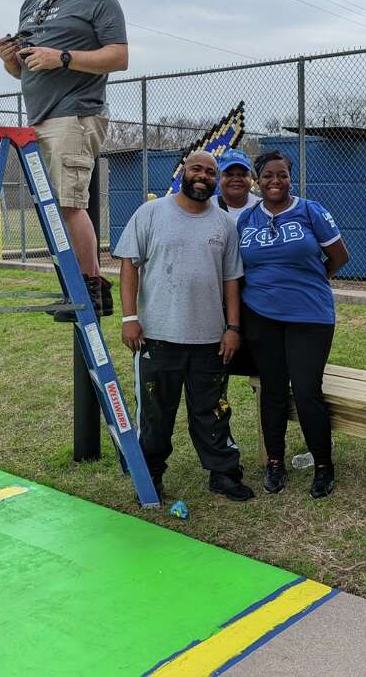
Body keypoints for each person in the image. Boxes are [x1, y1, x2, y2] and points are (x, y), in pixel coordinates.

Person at [0, 0, 127, 316]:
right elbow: (23, 72)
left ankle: (89, 291)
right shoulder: (31, 4)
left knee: (69, 205)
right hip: (38, 117)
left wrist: (63, 57)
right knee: (53, 208)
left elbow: (119, 57)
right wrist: (9, 59)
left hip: (75, 114)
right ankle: (77, 288)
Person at [113, 150, 256, 502]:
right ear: (182, 172)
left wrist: (233, 328)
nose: (202, 176)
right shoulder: (151, 213)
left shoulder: (223, 223)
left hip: (209, 339)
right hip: (157, 337)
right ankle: (150, 476)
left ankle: (223, 474)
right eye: (196, 169)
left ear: (215, 179)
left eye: (210, 172)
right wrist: (129, 318)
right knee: (155, 413)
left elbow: (231, 279)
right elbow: (130, 265)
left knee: (213, 412)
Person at [238, 151, 349, 499]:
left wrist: (311, 281)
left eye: (282, 175)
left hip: (309, 316)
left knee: (305, 390)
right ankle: (275, 463)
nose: (275, 181)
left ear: (290, 178)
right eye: (268, 175)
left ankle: (323, 466)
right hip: (261, 315)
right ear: (258, 180)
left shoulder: (310, 211)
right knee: (272, 389)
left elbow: (339, 256)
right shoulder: (248, 218)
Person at [212, 149, 255, 223]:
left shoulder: (263, 207)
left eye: (242, 175)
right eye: (229, 174)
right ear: (219, 177)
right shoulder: (207, 207)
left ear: (251, 178)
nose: (236, 179)